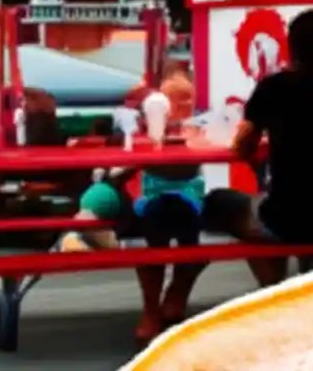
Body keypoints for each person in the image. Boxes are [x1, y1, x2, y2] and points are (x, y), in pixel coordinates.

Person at [205, 9, 313, 287]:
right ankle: (307, 273)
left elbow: (243, 146)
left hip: (286, 219)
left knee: (217, 202)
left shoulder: (273, 88)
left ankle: (272, 287)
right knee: (295, 202)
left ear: (291, 46)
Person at [60, 71, 209, 344]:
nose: (178, 105)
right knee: (154, 216)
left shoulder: (198, 128)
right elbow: (118, 170)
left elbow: (205, 155)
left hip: (186, 199)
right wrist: (137, 155)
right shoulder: (141, 128)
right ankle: (155, 306)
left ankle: (175, 292)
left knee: (180, 215)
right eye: (170, 98)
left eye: (186, 98)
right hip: (145, 202)